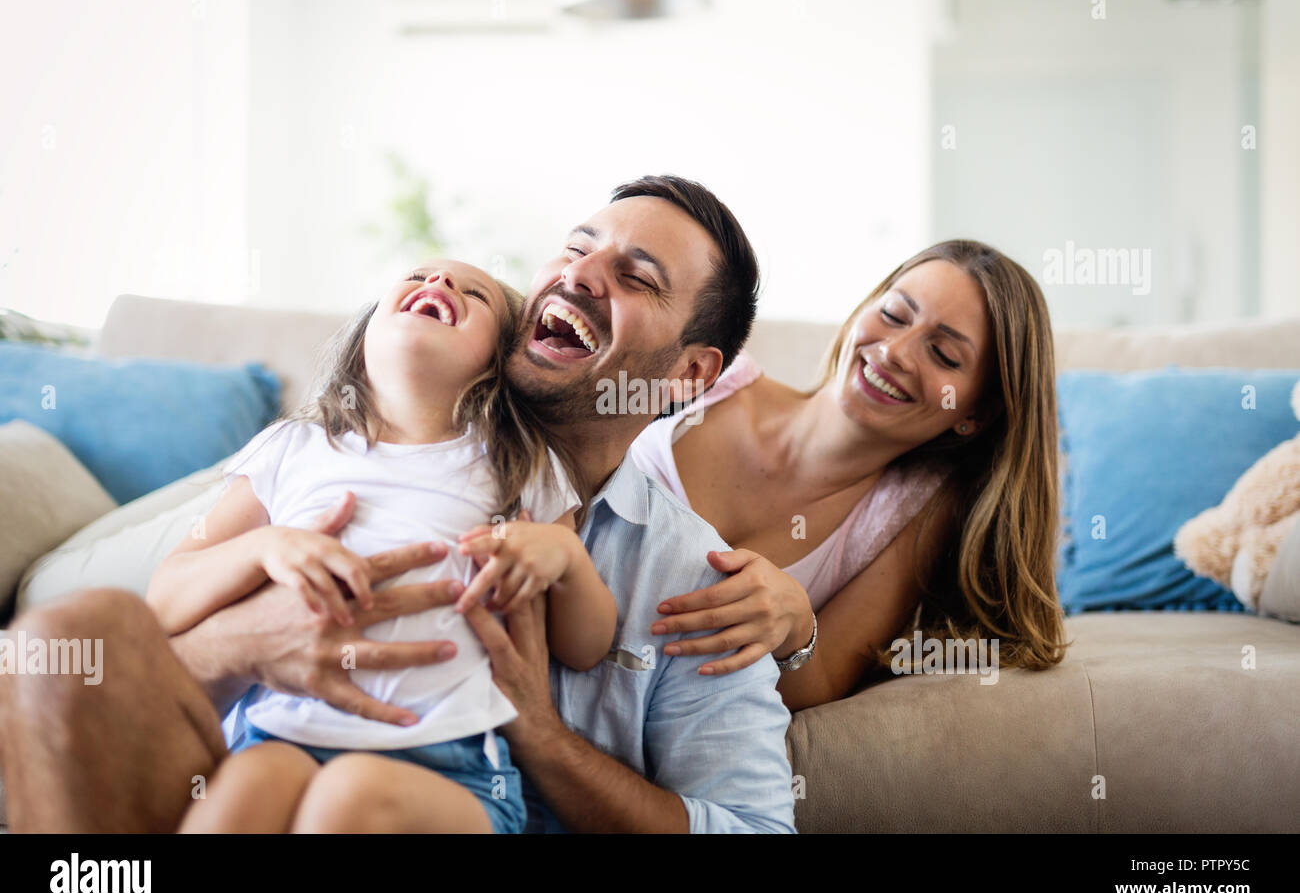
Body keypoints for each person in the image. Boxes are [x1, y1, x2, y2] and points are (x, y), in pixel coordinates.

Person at [0, 175, 796, 834]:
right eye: (579, 249)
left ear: (690, 374)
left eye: (637, 277)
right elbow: (160, 609)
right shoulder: (314, 450)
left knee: (348, 806)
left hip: (447, 791)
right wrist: (246, 642)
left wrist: (543, 737)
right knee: (63, 641)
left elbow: (754, 826)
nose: (582, 275)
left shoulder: (700, 579)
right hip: (262, 752)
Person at [150, 261, 616, 834]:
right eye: (420, 277)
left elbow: (586, 647)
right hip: (282, 733)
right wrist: (262, 548)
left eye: (475, 294)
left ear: (497, 362)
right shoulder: (291, 447)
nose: (439, 285)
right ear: (365, 332)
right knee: (238, 798)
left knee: (350, 797)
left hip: (452, 764)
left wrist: (566, 560)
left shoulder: (521, 462)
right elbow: (164, 599)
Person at [629, 240, 1069, 711]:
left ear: (976, 414)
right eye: (896, 315)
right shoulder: (711, 374)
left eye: (942, 353)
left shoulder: (907, 515)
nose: (895, 351)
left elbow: (816, 680)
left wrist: (799, 627)